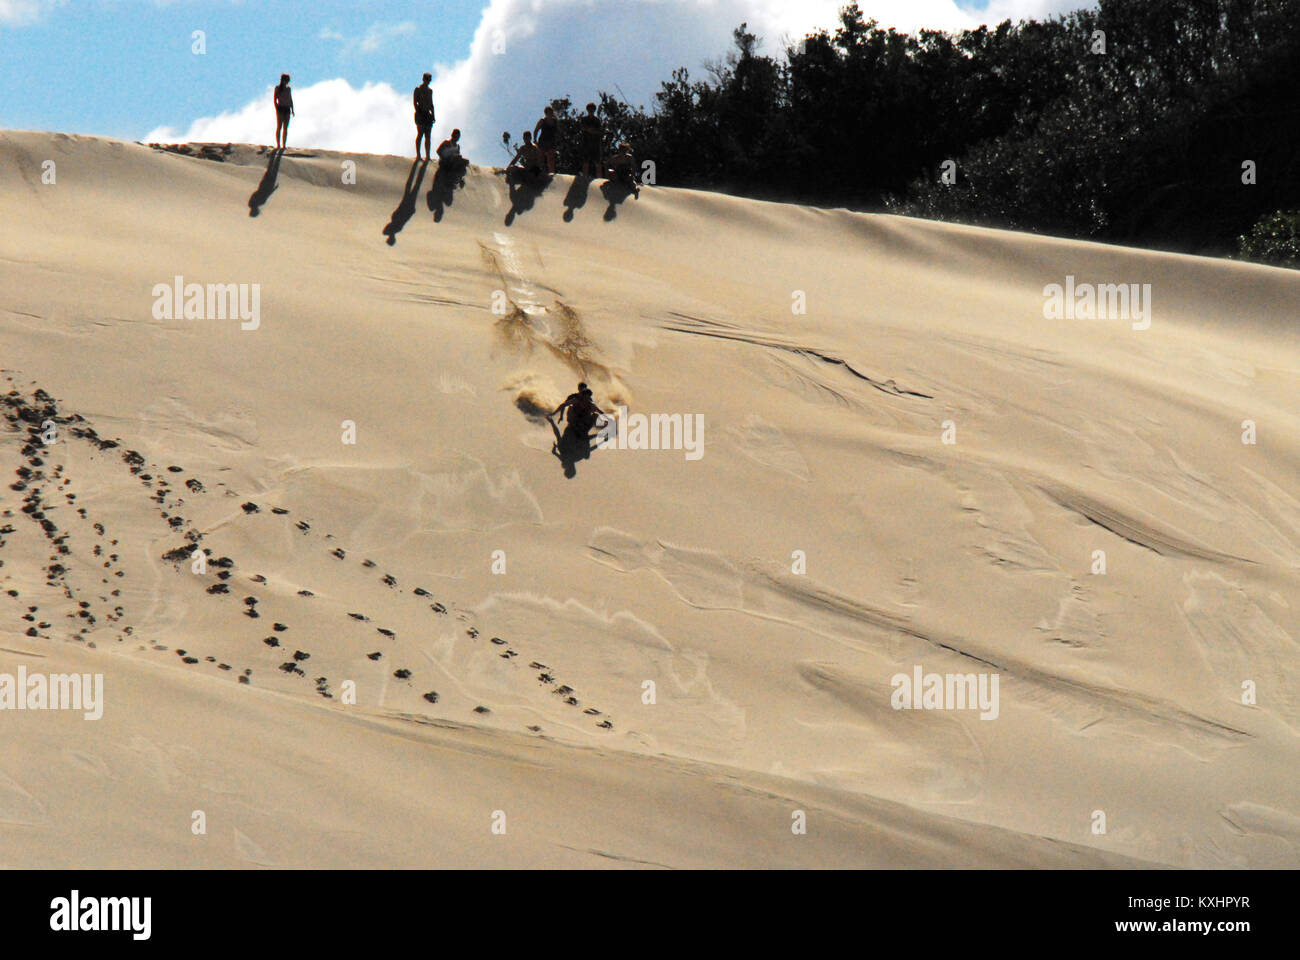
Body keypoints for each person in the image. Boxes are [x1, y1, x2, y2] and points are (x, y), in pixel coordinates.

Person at [413, 73, 435, 161]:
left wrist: (433, 115)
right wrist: (418, 112)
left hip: (428, 115)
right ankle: (418, 155)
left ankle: (428, 156)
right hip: (420, 114)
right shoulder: (418, 89)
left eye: (429, 79)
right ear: (423, 79)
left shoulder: (430, 91)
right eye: (427, 79)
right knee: (420, 134)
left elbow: (431, 104)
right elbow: (415, 102)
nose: (428, 81)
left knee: (428, 136)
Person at [579, 102, 602, 178]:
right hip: (586, 143)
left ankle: (599, 178)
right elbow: (582, 128)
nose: (591, 111)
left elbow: (600, 131)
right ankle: (585, 177)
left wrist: (592, 131)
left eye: (592, 109)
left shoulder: (597, 120)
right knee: (586, 162)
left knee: (597, 162)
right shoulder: (584, 119)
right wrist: (588, 130)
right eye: (589, 109)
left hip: (595, 143)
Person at [533, 105, 558, 175]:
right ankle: (540, 173)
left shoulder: (555, 122)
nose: (549, 114)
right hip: (543, 141)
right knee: (541, 158)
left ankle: (551, 173)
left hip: (551, 141)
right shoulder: (542, 121)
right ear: (545, 113)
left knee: (551, 159)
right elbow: (536, 130)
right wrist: (535, 140)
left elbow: (557, 132)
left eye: (551, 112)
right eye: (548, 112)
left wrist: (556, 141)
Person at [274, 74, 294, 150]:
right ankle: (278, 144)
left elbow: (290, 99)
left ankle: (284, 145)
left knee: (285, 128)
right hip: (280, 109)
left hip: (287, 109)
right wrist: (276, 108)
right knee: (279, 127)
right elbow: (275, 99)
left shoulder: (288, 89)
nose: (287, 82)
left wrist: (292, 109)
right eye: (286, 80)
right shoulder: (278, 88)